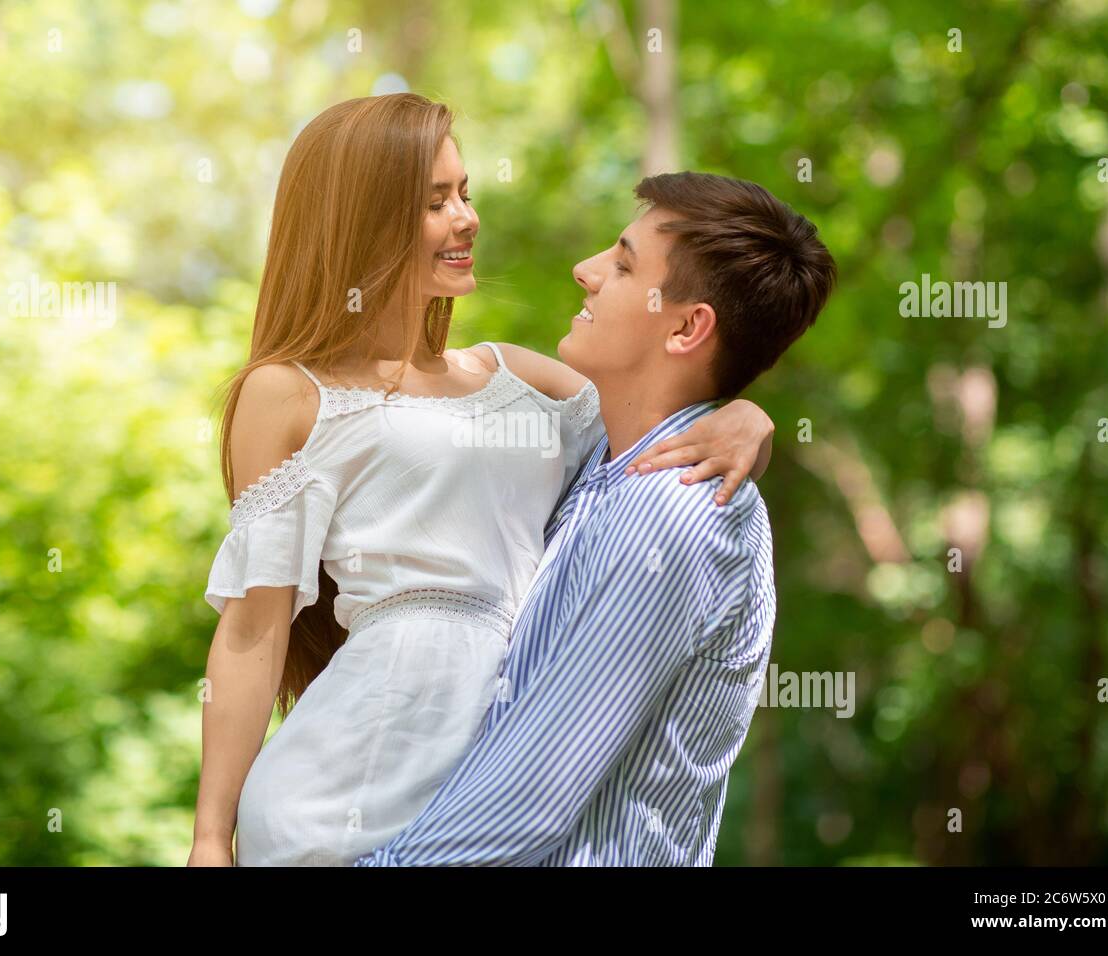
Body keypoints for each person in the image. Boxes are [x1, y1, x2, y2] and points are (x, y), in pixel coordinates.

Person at [187, 95, 777, 867]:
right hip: (346, 780)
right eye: (435, 202)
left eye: (465, 192)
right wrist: (210, 837)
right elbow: (252, 629)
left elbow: (652, 418)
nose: (465, 218)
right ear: (359, 219)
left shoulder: (522, 378)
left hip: (492, 773)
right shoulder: (291, 393)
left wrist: (748, 417)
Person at [354, 171, 837, 866]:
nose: (585, 272)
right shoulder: (598, 469)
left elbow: (530, 797)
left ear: (687, 326)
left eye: (622, 264)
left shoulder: (673, 513)